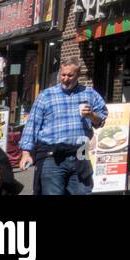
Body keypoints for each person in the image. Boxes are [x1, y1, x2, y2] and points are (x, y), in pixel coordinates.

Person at [18, 59, 107, 195]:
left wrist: (91, 115)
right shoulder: (46, 95)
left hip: (80, 154)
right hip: (52, 156)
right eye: (63, 75)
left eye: (70, 75)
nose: (65, 79)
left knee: (83, 192)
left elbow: (101, 119)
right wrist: (26, 153)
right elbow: (32, 125)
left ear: (78, 75)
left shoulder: (89, 94)